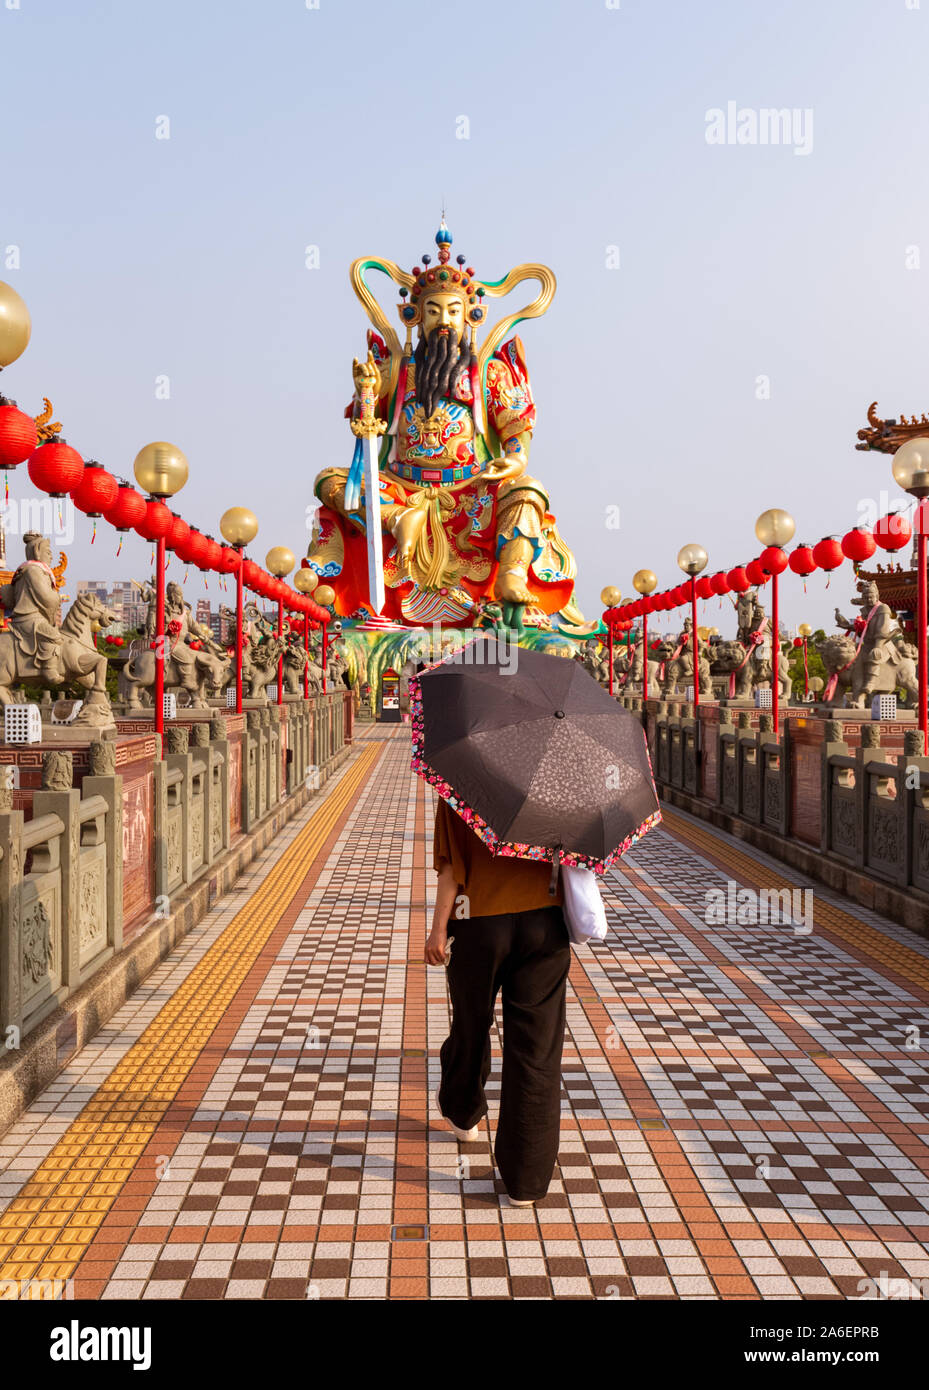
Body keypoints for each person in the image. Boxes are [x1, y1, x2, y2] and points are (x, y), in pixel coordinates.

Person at [425, 796, 570, 1208]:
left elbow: (451, 869)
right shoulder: (558, 786)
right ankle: (527, 1181)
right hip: (545, 923)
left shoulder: (459, 783)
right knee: (537, 1051)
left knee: (471, 1023)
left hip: (478, 924)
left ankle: (463, 1110)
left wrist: (437, 931)